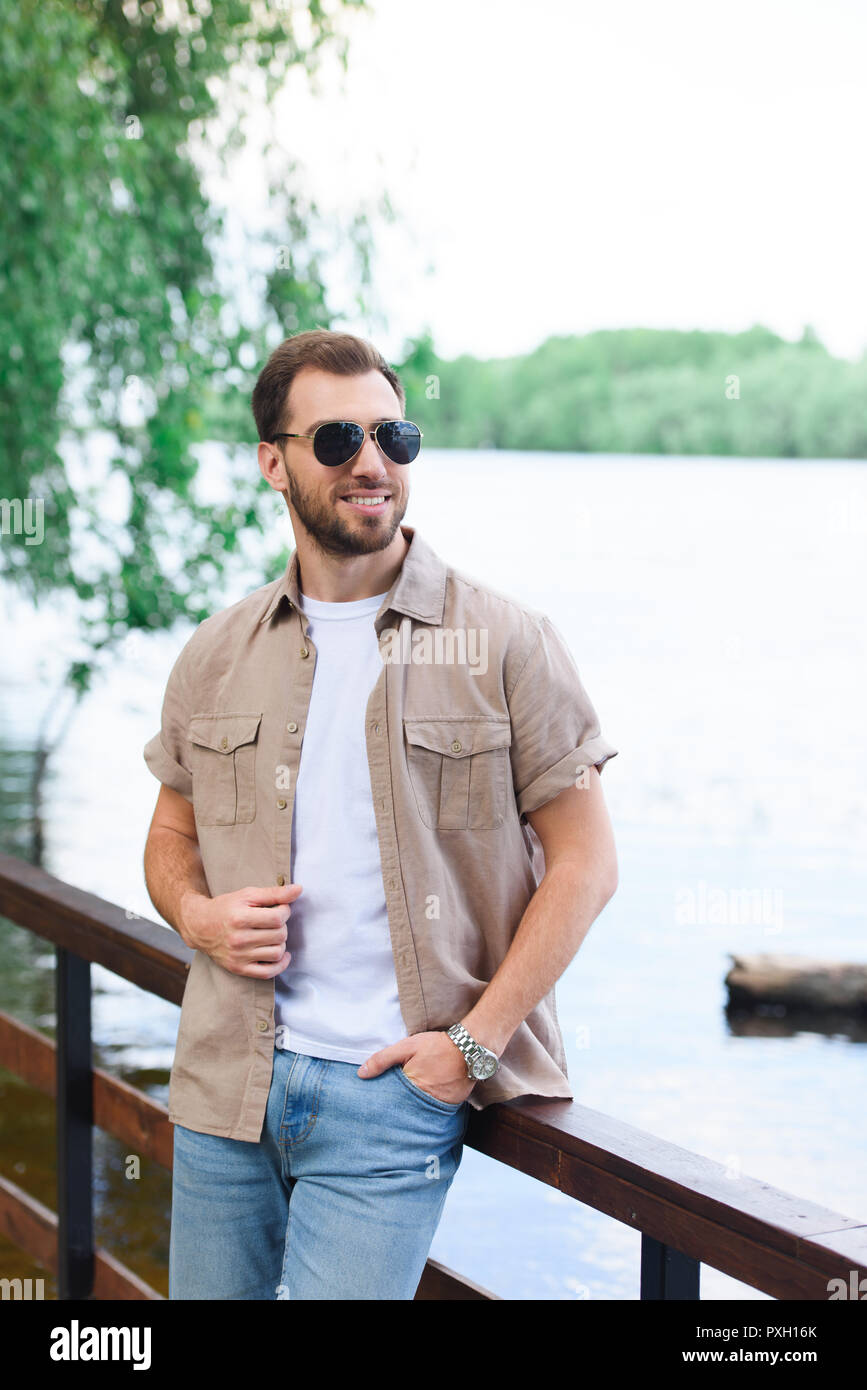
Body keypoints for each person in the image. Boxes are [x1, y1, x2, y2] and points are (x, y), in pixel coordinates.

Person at [142, 327, 619, 1300]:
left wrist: (472, 1046)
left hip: (390, 1102)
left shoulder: (506, 641)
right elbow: (169, 836)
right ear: (272, 462)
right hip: (225, 1083)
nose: (372, 463)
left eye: (392, 437)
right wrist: (197, 916)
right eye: (336, 440)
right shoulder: (216, 652)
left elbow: (587, 863)